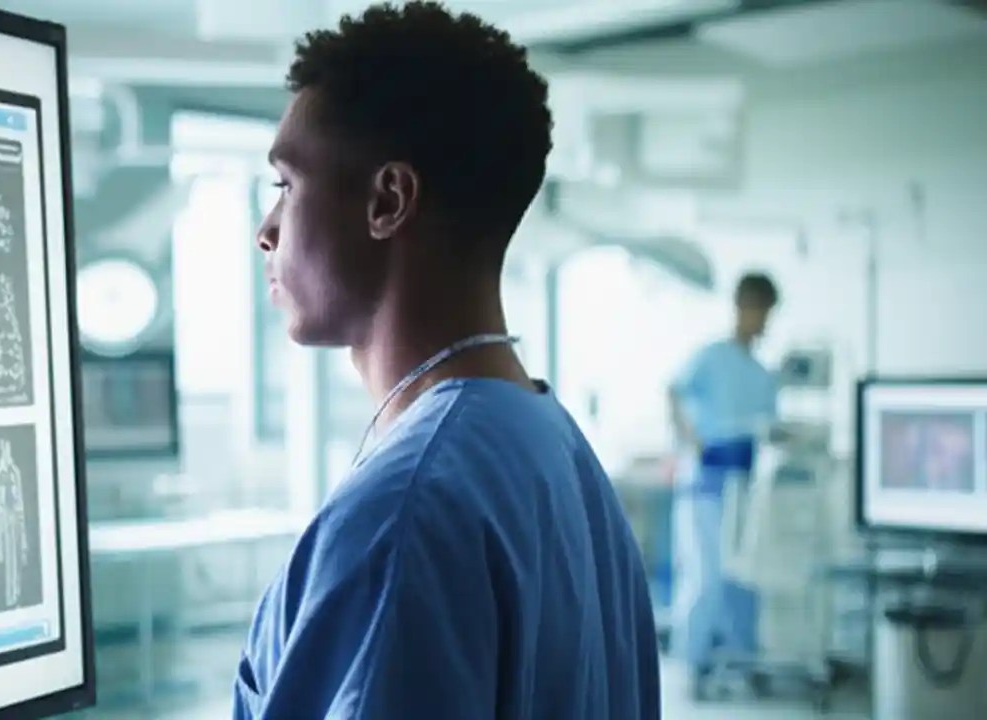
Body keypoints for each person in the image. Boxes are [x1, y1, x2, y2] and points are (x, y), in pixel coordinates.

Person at [233, 4, 661, 719]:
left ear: (388, 200)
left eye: (286, 186)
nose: (265, 231)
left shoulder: (403, 513)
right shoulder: (553, 449)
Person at [668, 272, 780, 697]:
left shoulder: (761, 373)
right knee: (707, 576)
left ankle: (742, 659)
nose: (762, 320)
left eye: (767, 312)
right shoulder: (711, 357)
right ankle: (693, 665)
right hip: (708, 481)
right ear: (740, 306)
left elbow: (765, 429)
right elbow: (673, 392)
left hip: (746, 486)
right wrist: (691, 441)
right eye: (757, 309)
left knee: (744, 577)